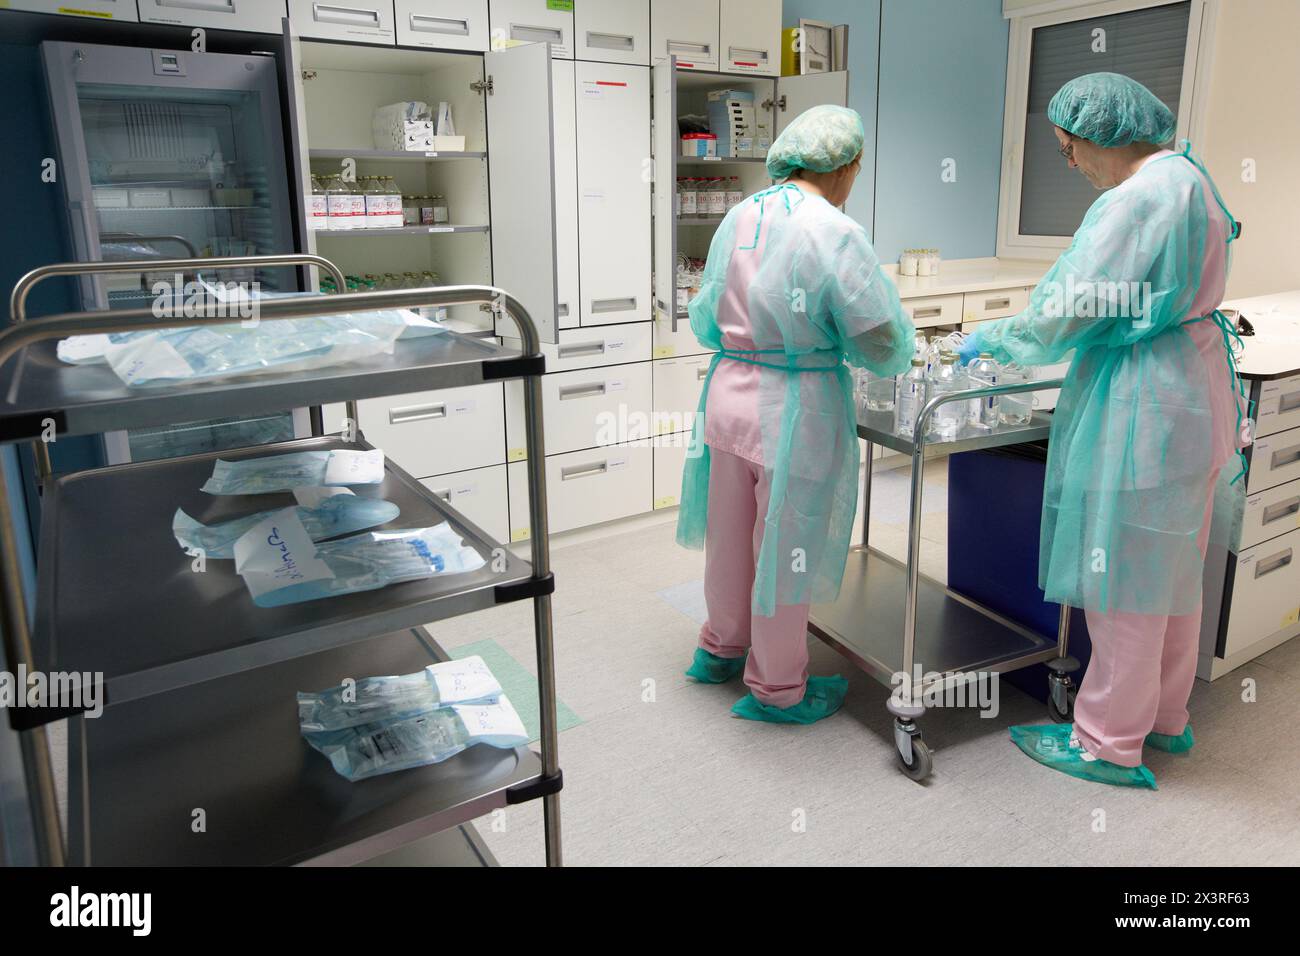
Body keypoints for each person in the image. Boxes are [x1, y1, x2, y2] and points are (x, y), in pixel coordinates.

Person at [957, 73, 1246, 788]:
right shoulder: (1192, 180)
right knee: (1173, 572)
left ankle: (1106, 741)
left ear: (1098, 136)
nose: (1072, 164)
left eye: (1068, 149)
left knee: (1120, 579)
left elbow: (1070, 309)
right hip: (1191, 393)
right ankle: (1164, 720)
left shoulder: (1139, 198)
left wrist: (995, 337)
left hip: (1145, 401)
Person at [676, 105, 917, 724]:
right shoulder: (833, 228)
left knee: (729, 536)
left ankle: (720, 648)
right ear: (849, 165)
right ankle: (778, 687)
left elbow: (706, 312)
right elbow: (881, 341)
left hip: (728, 393)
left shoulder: (741, 213)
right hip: (793, 407)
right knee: (787, 546)